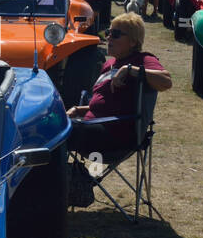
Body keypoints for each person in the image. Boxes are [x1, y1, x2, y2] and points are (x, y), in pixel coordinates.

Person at [65, 13, 170, 158]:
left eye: (115, 34)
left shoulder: (142, 59)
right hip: (94, 128)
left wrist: (129, 69)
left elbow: (166, 81)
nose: (108, 37)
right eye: (108, 33)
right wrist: (77, 110)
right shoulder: (109, 64)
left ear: (133, 41)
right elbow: (104, 107)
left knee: (55, 133)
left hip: (115, 136)